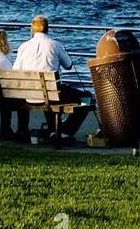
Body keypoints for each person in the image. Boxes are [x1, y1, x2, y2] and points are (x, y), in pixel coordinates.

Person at [13, 15, 93, 143]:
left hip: (29, 94)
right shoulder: (55, 45)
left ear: (32, 29)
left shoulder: (23, 47)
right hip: (51, 94)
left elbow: (15, 70)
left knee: (50, 93)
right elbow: (68, 65)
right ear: (47, 28)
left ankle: (52, 130)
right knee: (86, 98)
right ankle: (65, 131)